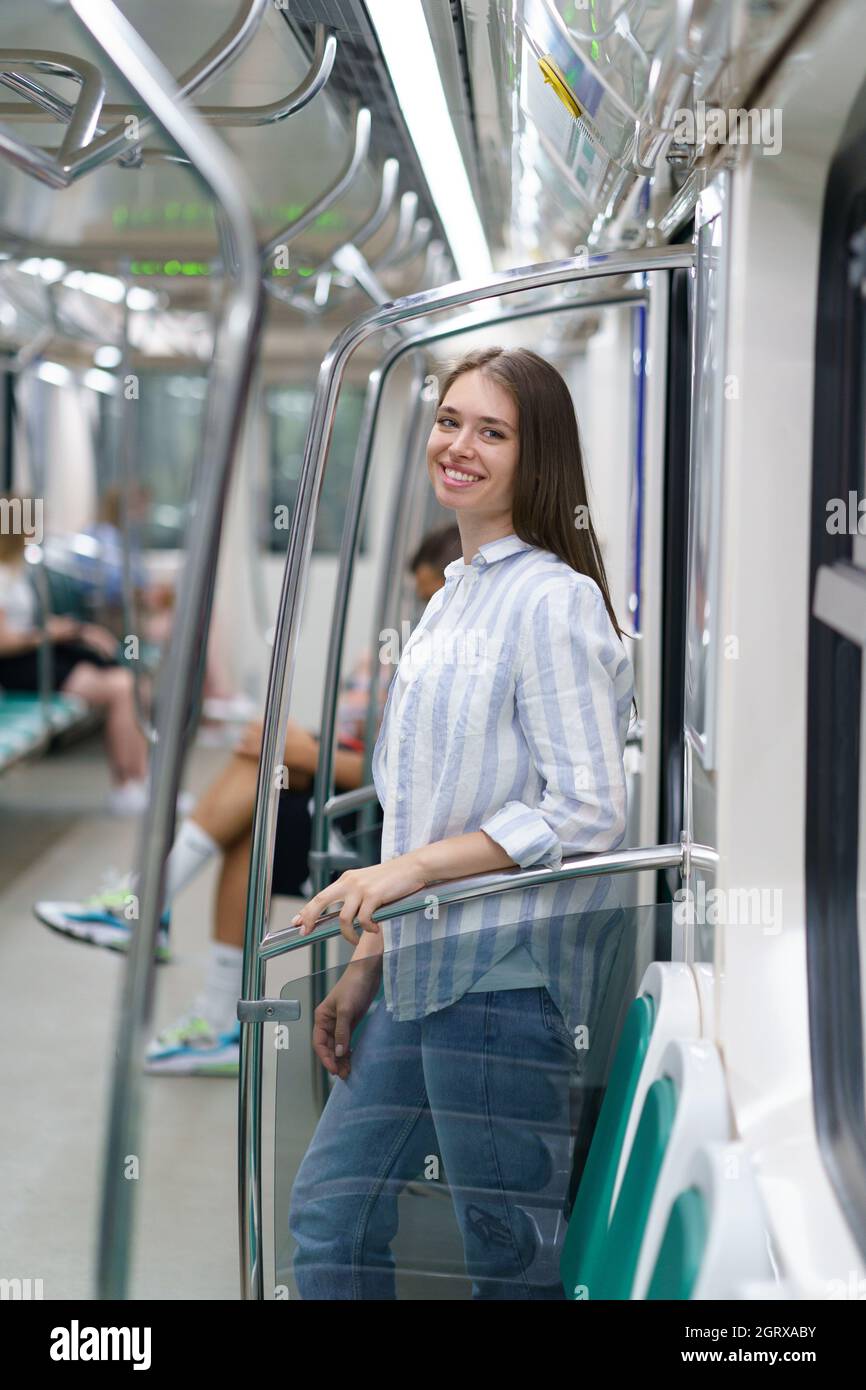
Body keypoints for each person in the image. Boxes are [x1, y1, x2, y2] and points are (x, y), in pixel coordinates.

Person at [285, 347, 635, 1300]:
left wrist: (415, 874)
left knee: (507, 1263)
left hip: (502, 980)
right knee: (328, 1218)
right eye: (449, 421)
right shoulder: (453, 598)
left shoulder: (553, 601)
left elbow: (590, 806)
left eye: (492, 431)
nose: (460, 445)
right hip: (418, 971)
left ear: (537, 455)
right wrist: (364, 969)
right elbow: (418, 807)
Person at [33, 524, 463, 1075]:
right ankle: (175, 953)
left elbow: (416, 783)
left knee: (265, 782)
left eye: (430, 596)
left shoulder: (459, 664)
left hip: (385, 832)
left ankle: (155, 920)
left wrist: (312, 757)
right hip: (358, 797)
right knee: (262, 785)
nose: (421, 606)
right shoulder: (421, 646)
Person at [0, 496, 150, 814]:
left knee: (131, 680)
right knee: (122, 687)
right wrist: (55, 633)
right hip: (16, 665)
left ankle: (140, 779)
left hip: (35, 652)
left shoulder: (17, 569)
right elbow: (5, 641)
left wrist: (78, 630)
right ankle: (127, 786)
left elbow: (28, 624)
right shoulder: (2, 575)